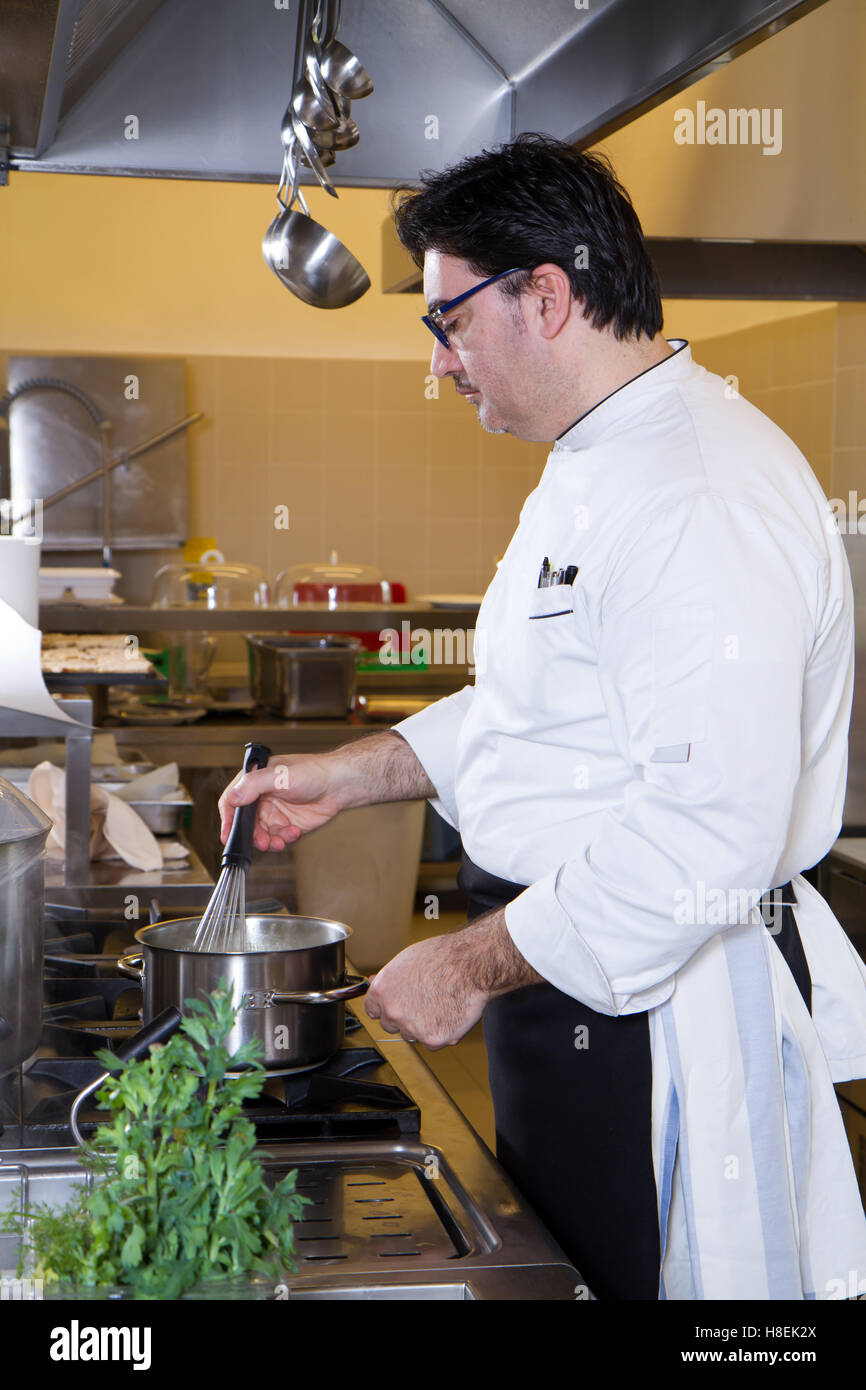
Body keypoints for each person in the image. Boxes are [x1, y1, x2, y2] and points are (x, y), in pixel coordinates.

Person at [220, 133, 866, 1300]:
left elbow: (700, 833)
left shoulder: (697, 492)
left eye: (447, 324)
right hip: (564, 983)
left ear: (548, 296)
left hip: (654, 1011)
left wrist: (466, 965)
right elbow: (543, 712)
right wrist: (350, 776)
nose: (438, 365)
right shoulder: (594, 463)